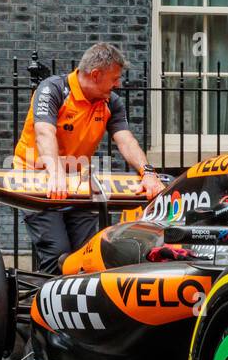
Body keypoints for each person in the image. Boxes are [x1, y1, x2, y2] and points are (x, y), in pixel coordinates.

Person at [12, 43, 164, 272]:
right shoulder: (52, 90)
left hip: (77, 183)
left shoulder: (110, 102)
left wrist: (148, 173)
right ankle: (47, 303)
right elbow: (44, 132)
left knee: (89, 252)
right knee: (57, 253)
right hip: (37, 181)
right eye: (114, 78)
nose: (118, 84)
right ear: (95, 75)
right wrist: (55, 174)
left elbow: (126, 140)